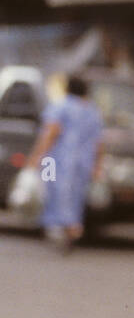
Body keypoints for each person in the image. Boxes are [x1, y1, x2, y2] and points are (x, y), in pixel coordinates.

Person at [26, 74, 105, 252]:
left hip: (56, 161)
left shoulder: (60, 107)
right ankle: (73, 226)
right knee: (75, 195)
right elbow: (98, 142)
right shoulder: (93, 111)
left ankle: (59, 226)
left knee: (54, 191)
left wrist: (36, 157)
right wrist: (97, 166)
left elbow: (51, 133)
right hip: (83, 163)